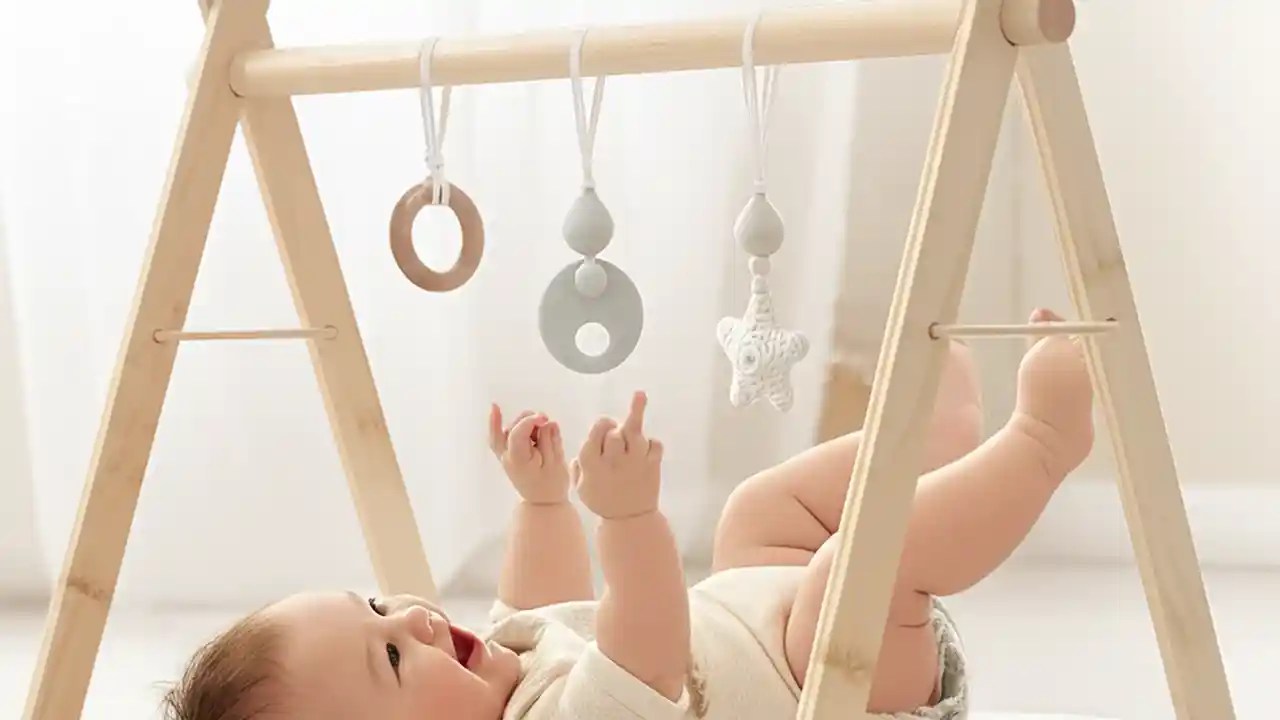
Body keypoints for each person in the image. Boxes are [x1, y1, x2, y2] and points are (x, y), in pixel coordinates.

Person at [161, 308, 1096, 720]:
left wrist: (541, 500)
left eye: (375, 606)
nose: (408, 616)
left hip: (760, 621)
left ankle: (936, 440)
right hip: (846, 687)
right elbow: (640, 646)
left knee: (758, 513)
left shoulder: (509, 669)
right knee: (847, 572)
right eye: (392, 659)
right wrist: (630, 523)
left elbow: (552, 601)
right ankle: (1043, 444)